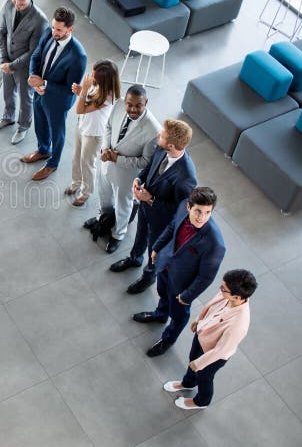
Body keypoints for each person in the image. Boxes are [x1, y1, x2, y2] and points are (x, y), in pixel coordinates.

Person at [133, 187, 226, 357]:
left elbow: (206, 277)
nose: (202, 217)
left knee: (179, 315)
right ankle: (160, 315)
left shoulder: (215, 244)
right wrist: (157, 247)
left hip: (183, 285)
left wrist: (187, 296)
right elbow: (172, 227)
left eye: (208, 213)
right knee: (162, 294)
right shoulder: (183, 206)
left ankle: (168, 339)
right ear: (189, 207)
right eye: (198, 211)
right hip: (165, 266)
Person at [114, 119, 198, 294]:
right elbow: (150, 167)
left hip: (162, 221)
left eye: (162, 135)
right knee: (140, 235)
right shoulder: (161, 148)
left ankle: (149, 276)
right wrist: (139, 179)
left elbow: (181, 211)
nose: (158, 135)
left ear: (171, 146)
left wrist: (151, 199)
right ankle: (135, 258)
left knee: (155, 248)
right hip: (145, 209)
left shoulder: (186, 178)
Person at [164, 269, 257, 409]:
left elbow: (221, 350)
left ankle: (201, 402)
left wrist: (200, 363)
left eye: (223, 289)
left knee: (204, 377)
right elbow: (211, 305)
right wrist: (199, 319)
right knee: (192, 359)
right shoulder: (227, 295)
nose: (220, 289)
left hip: (213, 354)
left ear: (237, 297)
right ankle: (188, 383)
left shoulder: (239, 323)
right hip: (203, 336)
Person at [83, 85, 160, 253]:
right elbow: (108, 127)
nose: (133, 109)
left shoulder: (154, 130)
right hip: (106, 163)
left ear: (146, 102)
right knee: (103, 195)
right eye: (129, 104)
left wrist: (117, 159)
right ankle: (102, 219)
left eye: (138, 105)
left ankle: (118, 234)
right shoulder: (118, 104)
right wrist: (105, 149)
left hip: (126, 175)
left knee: (122, 205)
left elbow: (145, 162)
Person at [20, 7, 87, 181]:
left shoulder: (78, 56)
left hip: (58, 100)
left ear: (70, 29)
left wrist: (43, 84)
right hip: (39, 92)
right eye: (53, 27)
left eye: (59, 30)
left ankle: (52, 163)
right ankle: (43, 150)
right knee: (40, 123)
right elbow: (36, 56)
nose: (54, 32)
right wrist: (33, 77)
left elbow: (70, 89)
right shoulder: (49, 33)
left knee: (57, 133)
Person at [0, 0, 48, 144]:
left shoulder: (40, 20)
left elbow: (34, 51)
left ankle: (23, 126)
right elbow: (2, 33)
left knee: (25, 97)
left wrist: (12, 65)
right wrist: (4, 60)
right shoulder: (9, 5)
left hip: (25, 67)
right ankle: (8, 117)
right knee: (8, 92)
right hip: (7, 60)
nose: (17, 2)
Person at [66, 59, 121, 207]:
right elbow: (87, 102)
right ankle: (76, 182)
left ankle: (86, 192)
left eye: (94, 75)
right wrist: (81, 92)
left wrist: (83, 91)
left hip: (93, 133)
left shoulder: (108, 96)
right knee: (76, 157)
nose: (91, 76)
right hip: (82, 126)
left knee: (87, 163)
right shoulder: (96, 84)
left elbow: (80, 109)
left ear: (104, 80)